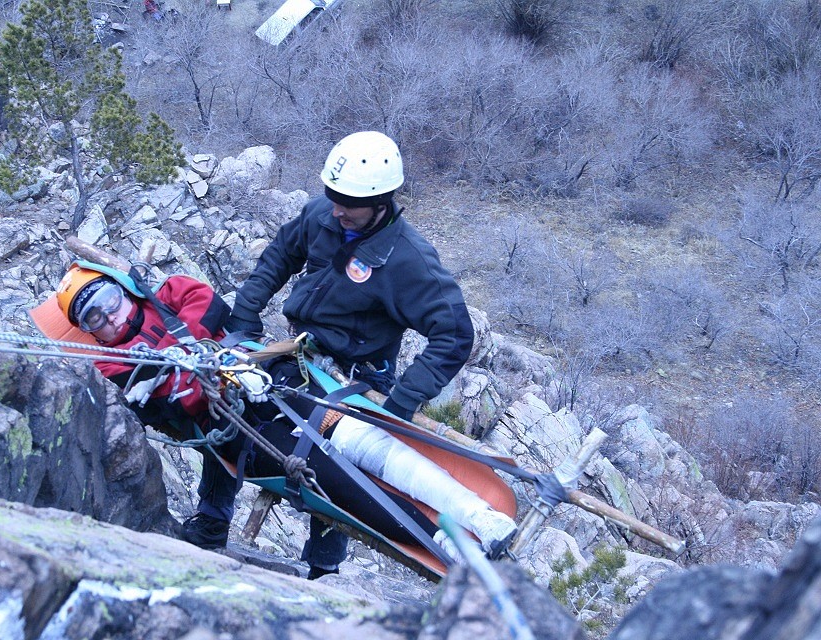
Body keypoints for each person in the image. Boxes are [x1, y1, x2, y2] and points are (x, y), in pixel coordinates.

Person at [50, 260, 518, 577]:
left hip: (271, 374)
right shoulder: (112, 363)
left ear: (123, 290)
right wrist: (198, 361)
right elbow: (179, 402)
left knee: (364, 439)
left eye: (109, 301)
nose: (109, 318)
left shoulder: (167, 293)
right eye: (93, 318)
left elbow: (212, 306)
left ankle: (479, 516)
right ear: (88, 331)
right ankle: (451, 544)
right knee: (330, 480)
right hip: (236, 429)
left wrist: (198, 355)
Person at [218, 130, 516, 578]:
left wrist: (398, 407)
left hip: (357, 379)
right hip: (295, 355)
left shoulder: (408, 261)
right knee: (231, 404)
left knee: (341, 461)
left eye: (348, 203)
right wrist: (244, 321)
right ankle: (210, 520)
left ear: (382, 201)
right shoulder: (326, 217)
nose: (337, 210)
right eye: (332, 196)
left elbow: (453, 334)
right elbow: (278, 257)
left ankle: (323, 567)